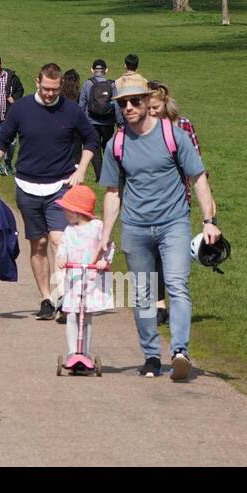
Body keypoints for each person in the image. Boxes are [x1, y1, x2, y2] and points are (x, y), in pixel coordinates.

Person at [96, 73, 222, 381]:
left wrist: (209, 222)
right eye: (122, 103)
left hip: (173, 223)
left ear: (147, 101)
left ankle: (180, 351)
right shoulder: (117, 143)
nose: (128, 107)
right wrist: (104, 236)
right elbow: (113, 193)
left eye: (134, 101)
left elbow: (199, 178)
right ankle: (151, 356)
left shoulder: (173, 136)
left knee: (177, 286)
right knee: (142, 295)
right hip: (135, 227)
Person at [0, 63, 98, 322]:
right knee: (39, 244)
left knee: (59, 241)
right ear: (37, 82)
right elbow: (2, 141)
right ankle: (46, 298)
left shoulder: (71, 110)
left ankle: (65, 298)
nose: (49, 94)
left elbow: (91, 140)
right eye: (46, 89)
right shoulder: (21, 109)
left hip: (60, 187)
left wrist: (81, 170)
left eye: (55, 90)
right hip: (27, 186)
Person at [147, 80, 204, 326]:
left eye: (155, 107)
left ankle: (176, 303)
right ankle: (159, 304)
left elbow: (197, 165)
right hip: (148, 200)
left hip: (179, 200)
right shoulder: (140, 129)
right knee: (153, 255)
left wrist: (208, 207)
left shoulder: (183, 126)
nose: (151, 112)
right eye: (147, 107)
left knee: (174, 255)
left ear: (165, 103)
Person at [55, 184, 113, 369]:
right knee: (72, 315)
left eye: (67, 209)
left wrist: (104, 260)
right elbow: (62, 247)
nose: (64, 212)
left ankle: (85, 351)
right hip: (74, 279)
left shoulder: (97, 227)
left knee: (86, 317)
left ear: (77, 211)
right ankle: (73, 351)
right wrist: (62, 257)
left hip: (91, 279)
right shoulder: (69, 230)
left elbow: (108, 246)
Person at [78, 59, 119, 180]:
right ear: (106, 70)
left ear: (92, 70)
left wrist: (81, 122)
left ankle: (99, 175)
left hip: (91, 121)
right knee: (107, 147)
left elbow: (82, 104)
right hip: (108, 122)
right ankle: (109, 173)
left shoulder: (88, 83)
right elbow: (116, 104)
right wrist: (119, 121)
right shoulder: (112, 84)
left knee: (94, 148)